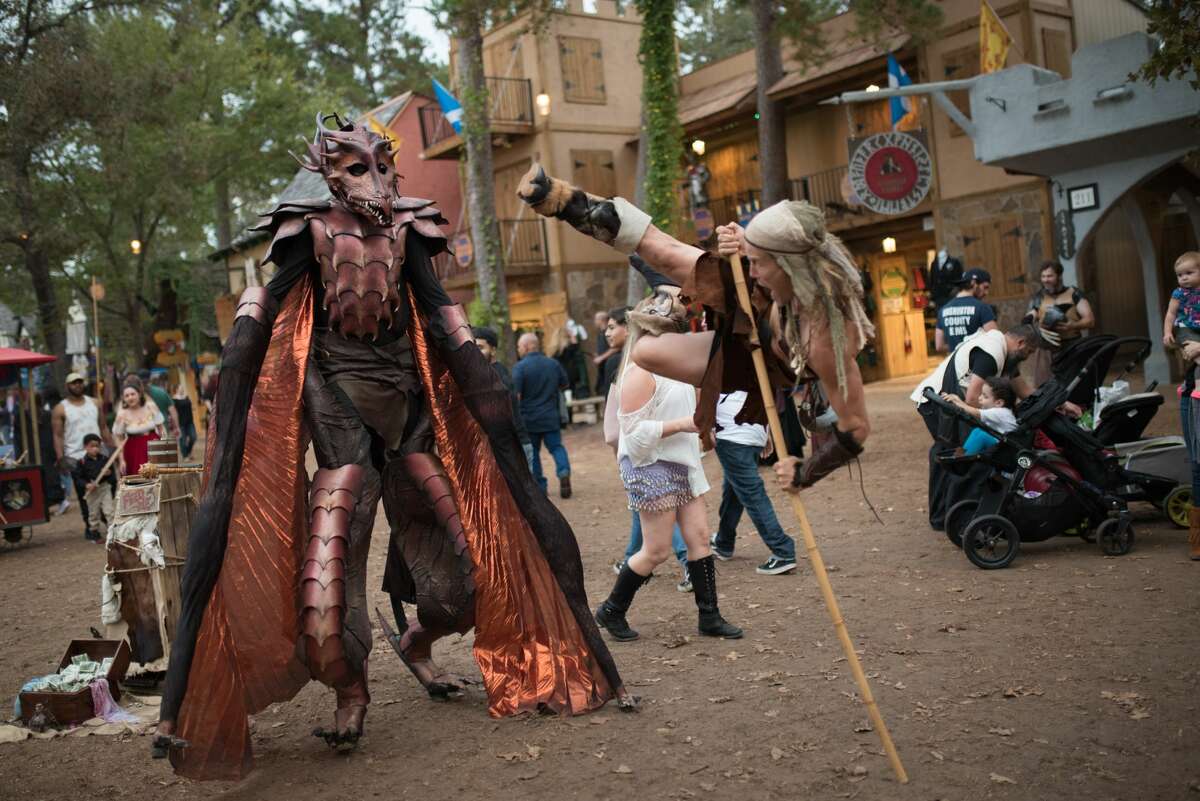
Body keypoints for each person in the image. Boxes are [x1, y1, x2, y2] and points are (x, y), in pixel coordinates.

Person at [157, 114, 628, 779]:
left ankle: (416, 639)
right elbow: (266, 302)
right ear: (328, 173)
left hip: (407, 405)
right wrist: (243, 336)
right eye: (357, 169)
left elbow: (438, 305)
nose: (375, 183)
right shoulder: (308, 227)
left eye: (383, 165)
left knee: (473, 570)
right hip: (338, 409)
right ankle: (351, 692)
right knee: (322, 595)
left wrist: (480, 375)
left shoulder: (410, 225)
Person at [516, 164, 873, 493]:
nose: (751, 268)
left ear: (789, 266)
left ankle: (677, 295)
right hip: (758, 304)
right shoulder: (766, 270)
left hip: (760, 362)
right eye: (753, 260)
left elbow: (856, 426)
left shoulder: (825, 338)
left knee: (646, 352)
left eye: (759, 263)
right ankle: (559, 199)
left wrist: (803, 473)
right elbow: (753, 258)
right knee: (663, 253)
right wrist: (739, 240)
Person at [594, 287, 742, 642]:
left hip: (682, 460)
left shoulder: (678, 367)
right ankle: (611, 610)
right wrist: (685, 425)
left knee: (699, 538)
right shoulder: (638, 373)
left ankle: (710, 617)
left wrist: (703, 428)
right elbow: (633, 437)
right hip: (649, 466)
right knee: (657, 550)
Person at [912, 324, 1067, 529]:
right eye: (1028, 352)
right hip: (937, 401)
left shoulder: (1004, 353)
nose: (1026, 357)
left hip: (942, 399)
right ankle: (955, 516)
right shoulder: (992, 352)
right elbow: (972, 397)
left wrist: (1061, 404)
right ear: (1020, 343)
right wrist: (993, 417)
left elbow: (1024, 391)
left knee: (948, 453)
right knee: (963, 457)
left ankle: (943, 515)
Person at [709, 391, 797, 575]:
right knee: (734, 487)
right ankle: (724, 542)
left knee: (751, 491)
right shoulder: (751, 361)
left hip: (732, 430)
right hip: (752, 426)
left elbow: (706, 389)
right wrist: (763, 430)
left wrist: (707, 425)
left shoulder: (718, 362)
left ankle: (783, 550)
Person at [51, 372, 113, 541]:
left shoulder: (95, 403)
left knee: (107, 488)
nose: (77, 385)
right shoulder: (60, 408)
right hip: (76, 456)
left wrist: (112, 446)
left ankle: (109, 522)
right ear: (67, 386)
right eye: (73, 383)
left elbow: (103, 427)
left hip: (99, 453)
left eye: (79, 382)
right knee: (85, 493)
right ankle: (90, 526)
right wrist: (60, 457)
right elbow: (57, 435)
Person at [513, 331, 573, 498]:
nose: (518, 350)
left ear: (525, 347)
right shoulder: (552, 363)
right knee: (556, 447)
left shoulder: (520, 368)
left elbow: (517, 396)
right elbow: (564, 384)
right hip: (550, 416)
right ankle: (563, 471)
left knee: (534, 453)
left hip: (529, 419)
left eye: (518, 346)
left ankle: (541, 487)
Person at [473, 326, 536, 474]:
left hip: (513, 448)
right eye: (472, 348)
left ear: (493, 350)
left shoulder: (495, 377)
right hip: (510, 447)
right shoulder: (492, 372)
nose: (475, 353)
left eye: (480, 347)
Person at [1025, 260, 1095, 385]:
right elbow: (1032, 314)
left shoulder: (1074, 293)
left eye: (1050, 276)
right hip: (1047, 351)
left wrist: (1073, 325)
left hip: (1072, 347)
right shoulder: (1039, 296)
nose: (1046, 280)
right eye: (1043, 276)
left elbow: (1090, 320)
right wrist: (1030, 322)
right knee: (1045, 387)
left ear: (1059, 276)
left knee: (1075, 386)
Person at [941, 376, 1018, 456]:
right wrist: (956, 401)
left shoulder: (1001, 413)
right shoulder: (999, 411)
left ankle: (963, 460)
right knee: (978, 431)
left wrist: (957, 402)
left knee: (982, 435)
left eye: (985, 396)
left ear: (998, 403)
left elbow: (975, 413)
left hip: (1007, 451)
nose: (980, 398)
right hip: (1001, 445)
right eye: (981, 394)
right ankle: (962, 455)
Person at [935, 268, 997, 352]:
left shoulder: (943, 310)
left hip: (955, 363)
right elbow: (995, 341)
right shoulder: (982, 308)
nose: (986, 292)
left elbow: (939, 346)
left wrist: (958, 348)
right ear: (974, 283)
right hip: (977, 363)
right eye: (985, 287)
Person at [113, 378, 165, 479]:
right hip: (133, 450)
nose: (130, 398)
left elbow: (161, 430)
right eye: (126, 396)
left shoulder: (151, 407)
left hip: (154, 447)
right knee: (138, 479)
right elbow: (119, 439)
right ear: (123, 398)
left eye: (133, 394)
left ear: (139, 394)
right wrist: (121, 460)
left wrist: (164, 449)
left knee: (158, 478)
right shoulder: (122, 415)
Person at [73, 433, 116, 540]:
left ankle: (113, 534)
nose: (95, 449)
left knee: (109, 511)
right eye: (92, 446)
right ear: (85, 447)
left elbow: (113, 477)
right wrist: (86, 485)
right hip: (92, 491)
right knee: (93, 513)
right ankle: (94, 532)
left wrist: (108, 473)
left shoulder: (105, 460)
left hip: (104, 488)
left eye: (97, 446)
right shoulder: (82, 462)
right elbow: (78, 478)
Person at [1163, 252, 1200, 367]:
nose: (1184, 278)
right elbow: (1171, 313)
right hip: (1187, 328)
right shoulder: (1179, 293)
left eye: (1189, 273)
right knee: (1192, 350)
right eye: (1179, 275)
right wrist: (1167, 332)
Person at [594, 306, 627, 399]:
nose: (607, 334)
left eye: (612, 328)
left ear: (627, 329)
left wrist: (601, 357)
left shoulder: (615, 361)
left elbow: (611, 402)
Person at [143, 371, 181, 439]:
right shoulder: (161, 392)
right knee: (164, 448)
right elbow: (172, 410)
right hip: (163, 427)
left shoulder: (136, 395)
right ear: (150, 379)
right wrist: (177, 427)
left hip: (145, 431)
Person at [172, 385, 197, 460]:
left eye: (183, 388)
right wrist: (175, 425)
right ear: (176, 389)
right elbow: (173, 412)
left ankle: (188, 451)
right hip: (180, 422)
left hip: (190, 421)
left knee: (193, 437)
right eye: (180, 388)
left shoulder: (187, 397)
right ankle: (185, 455)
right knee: (182, 440)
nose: (182, 389)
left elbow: (190, 406)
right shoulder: (174, 399)